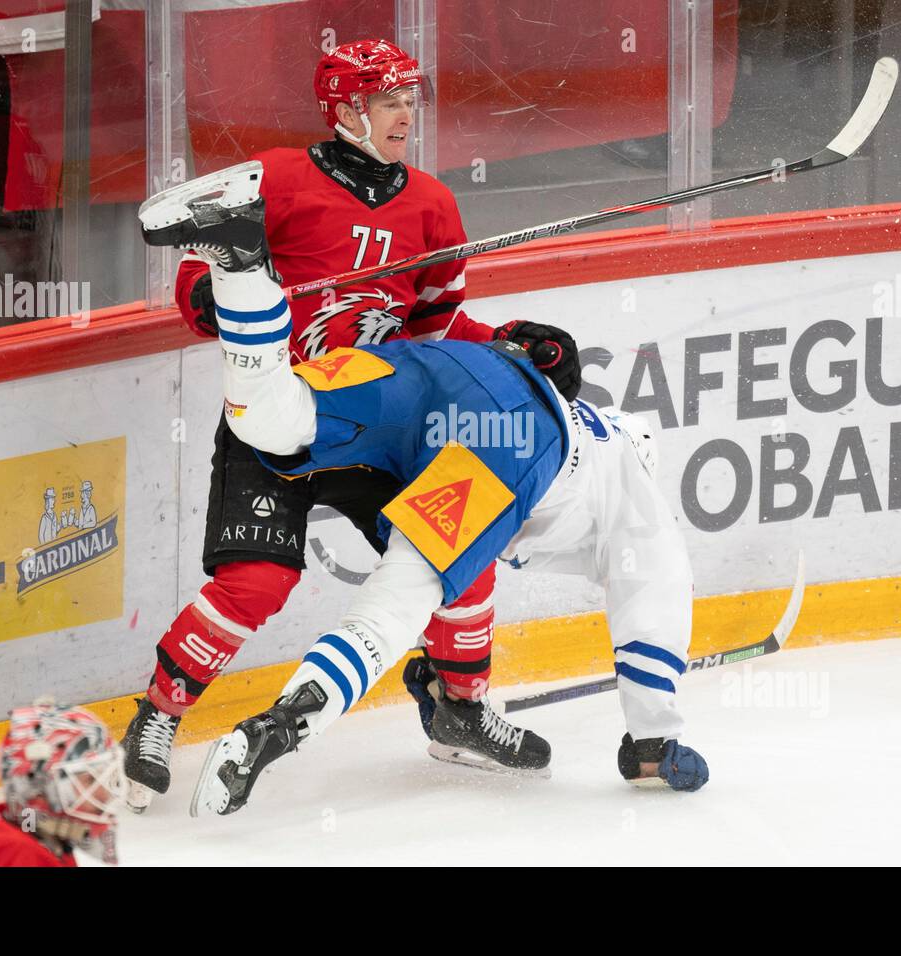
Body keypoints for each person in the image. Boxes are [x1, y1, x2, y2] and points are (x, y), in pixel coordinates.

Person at [138, 167, 708, 817]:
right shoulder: (634, 493)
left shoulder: (590, 428)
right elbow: (653, 612)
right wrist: (653, 741)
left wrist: (515, 340)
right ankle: (286, 725)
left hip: (461, 373)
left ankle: (240, 259)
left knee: (272, 417)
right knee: (392, 609)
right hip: (512, 450)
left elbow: (451, 335)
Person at [122, 39, 582, 810]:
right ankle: (157, 717)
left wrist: (514, 345)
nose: (407, 113)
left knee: (462, 550)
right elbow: (197, 273)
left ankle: (458, 711)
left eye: (411, 97)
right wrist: (221, 305)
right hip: (283, 413)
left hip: (380, 423)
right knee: (254, 582)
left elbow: (434, 333)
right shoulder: (277, 177)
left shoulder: (433, 204)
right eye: (388, 99)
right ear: (344, 110)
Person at [0, 701, 126, 867]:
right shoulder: (23, 855)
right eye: (90, 779)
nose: (105, 792)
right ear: (42, 788)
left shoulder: (2, 822)